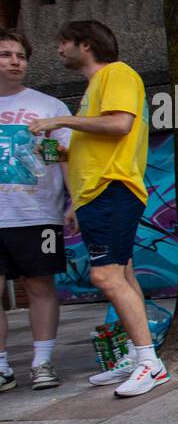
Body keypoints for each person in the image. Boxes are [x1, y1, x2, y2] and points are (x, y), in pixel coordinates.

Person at [28, 21, 166, 398]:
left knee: (106, 278)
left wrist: (59, 120)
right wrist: (65, 154)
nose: (57, 50)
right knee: (123, 275)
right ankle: (136, 357)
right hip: (97, 192)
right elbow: (101, 139)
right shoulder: (95, 87)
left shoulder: (117, 74)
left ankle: (150, 364)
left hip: (111, 189)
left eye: (63, 43)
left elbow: (120, 124)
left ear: (85, 45)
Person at [0, 28, 75, 392]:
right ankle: (1, 367)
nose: (15, 61)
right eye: (6, 54)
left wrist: (75, 199)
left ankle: (42, 362)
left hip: (38, 215)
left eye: (21, 56)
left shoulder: (50, 107)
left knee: (40, 284)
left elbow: (65, 157)